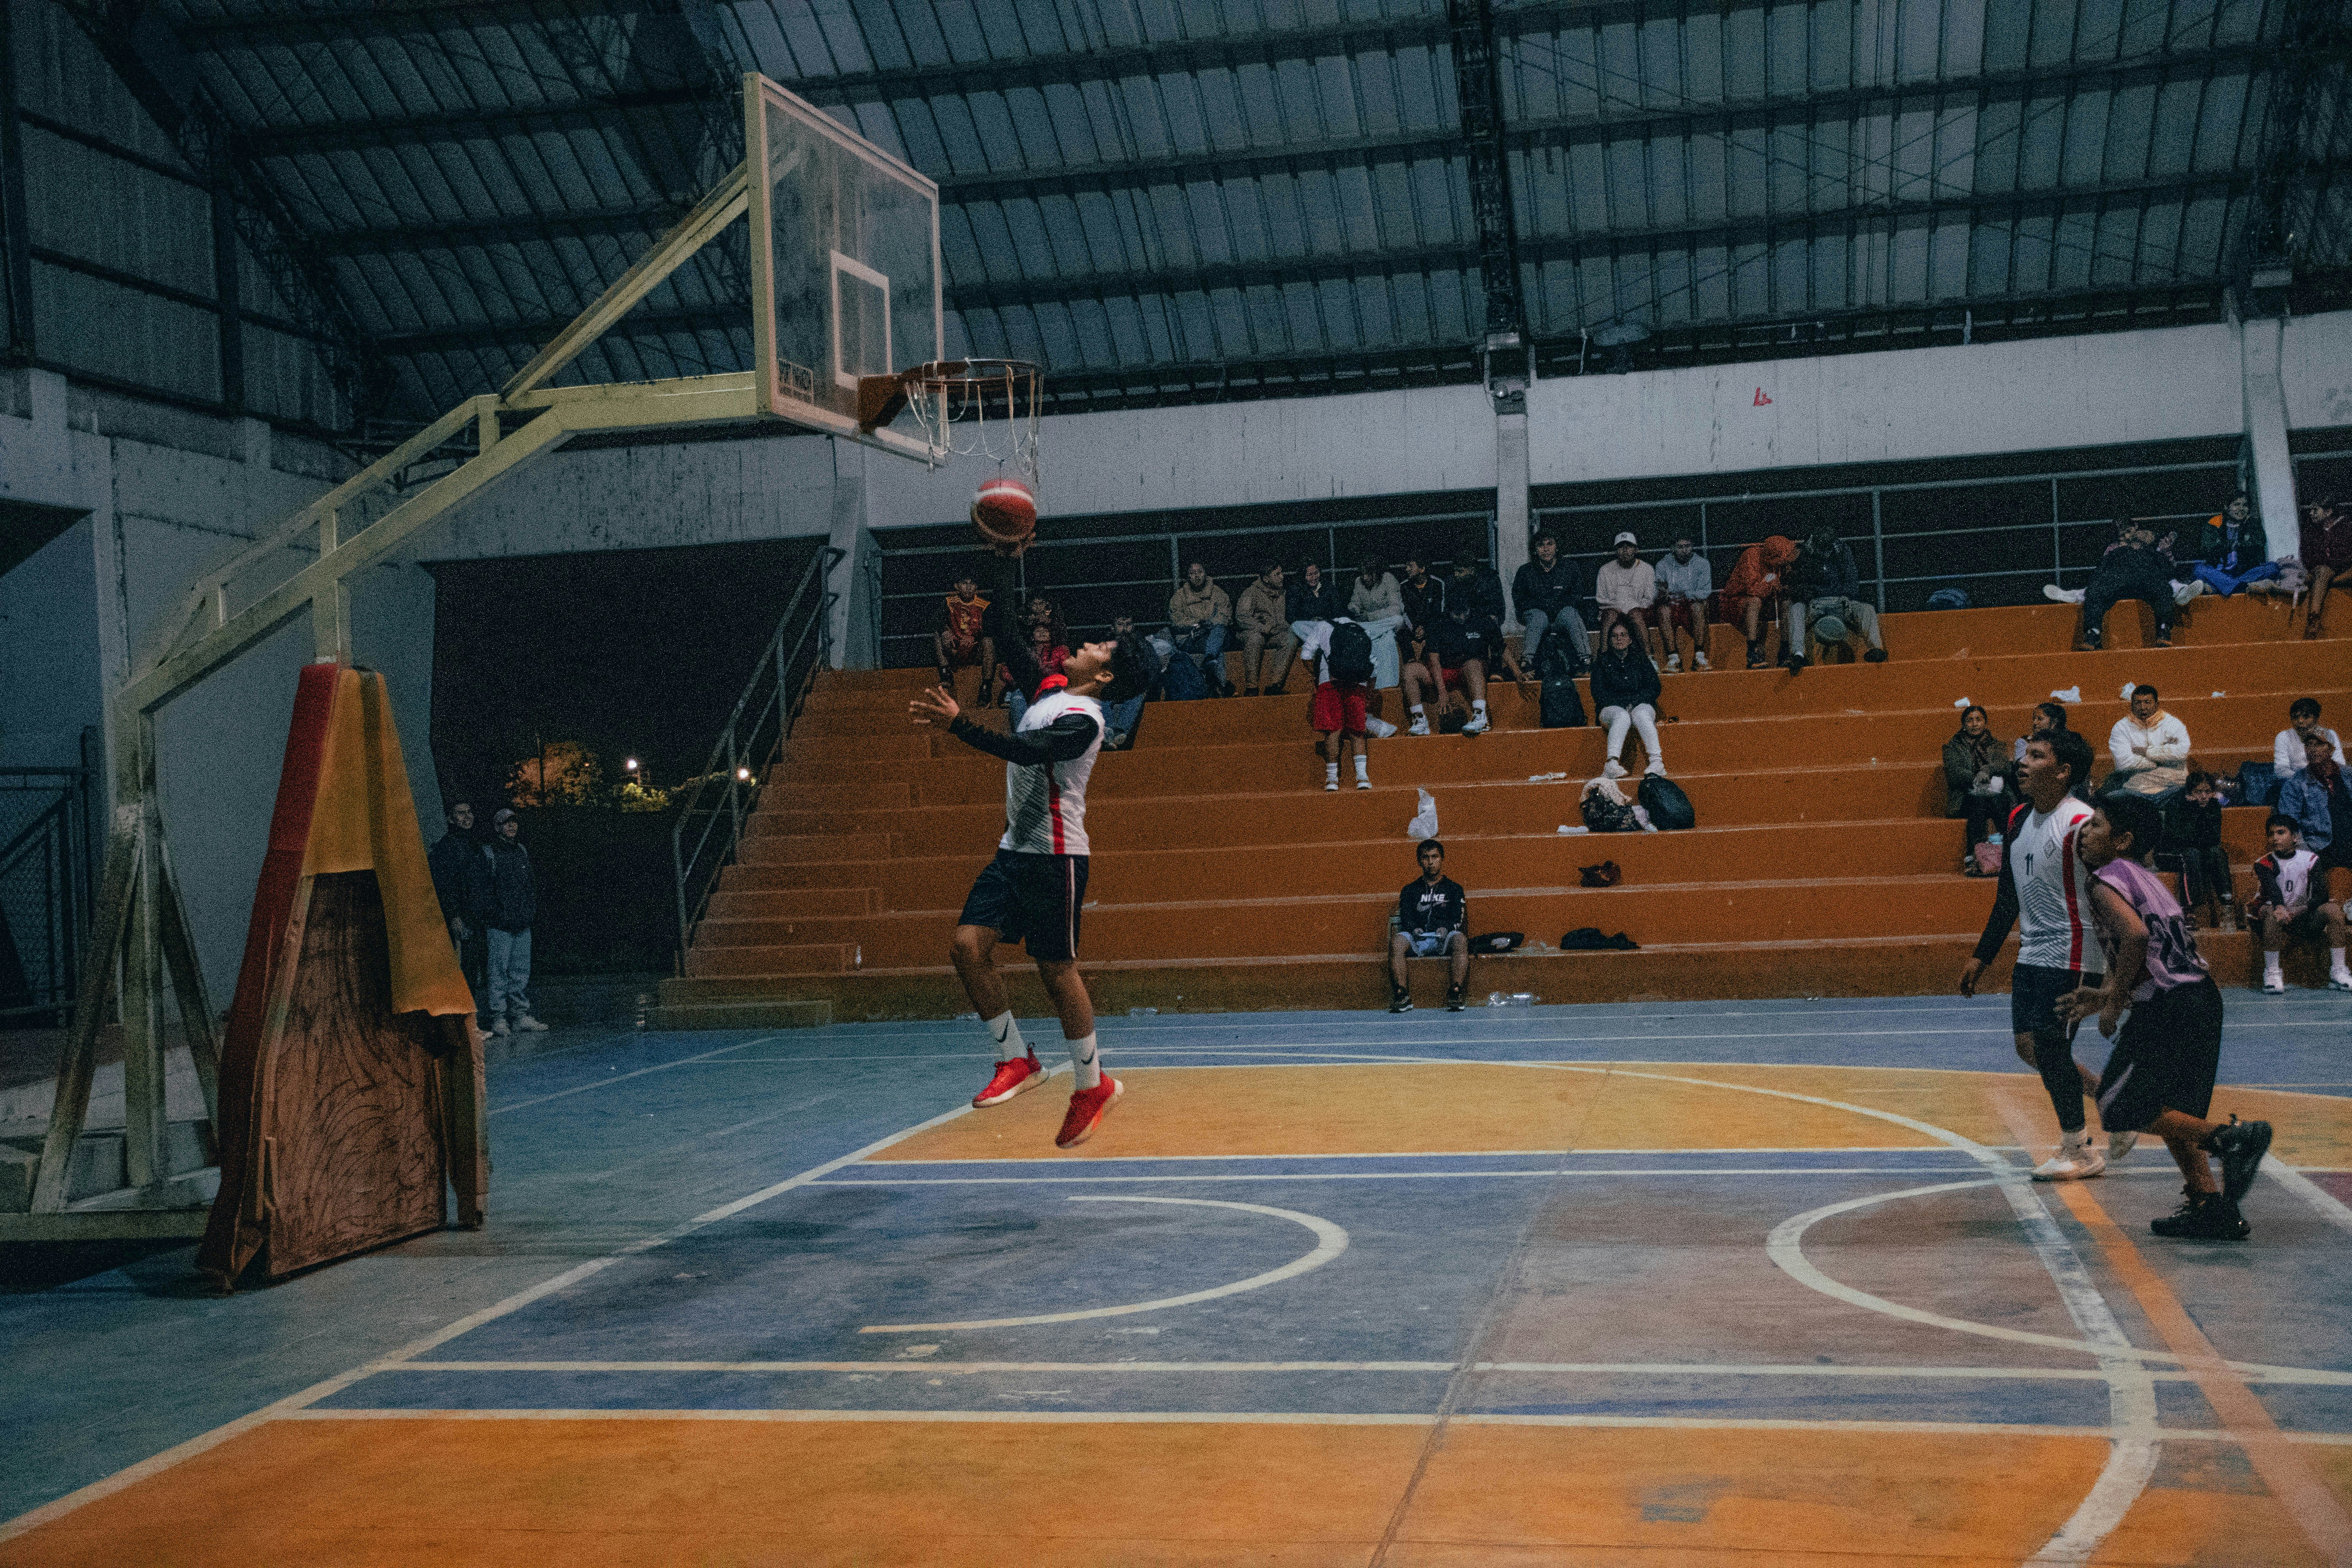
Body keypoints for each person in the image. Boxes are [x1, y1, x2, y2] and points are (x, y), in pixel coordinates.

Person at [909, 545, 1156, 1149]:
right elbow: (1002, 627)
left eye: (1098, 649)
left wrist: (959, 725)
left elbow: (1027, 753)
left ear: (1103, 677)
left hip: (1057, 857)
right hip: (1013, 851)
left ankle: (1092, 1084)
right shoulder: (1048, 689)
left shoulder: (1087, 721)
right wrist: (1002, 556)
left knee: (1056, 970)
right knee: (967, 947)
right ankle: (1017, 1060)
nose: (1084, 644)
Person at [2057, 793, 2273, 1241]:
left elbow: (2135, 937)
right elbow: (2155, 948)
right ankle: (2210, 1206)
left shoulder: (2103, 880)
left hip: (2170, 1006)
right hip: (2202, 998)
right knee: (2176, 1112)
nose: (2084, 832)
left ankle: (2230, 1138)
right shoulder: (2147, 877)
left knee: (2119, 1106)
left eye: (2096, 824)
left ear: (2124, 839)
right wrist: (2105, 994)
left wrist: (2114, 1005)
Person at [1959, 729, 2118, 1180]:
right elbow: (2008, 897)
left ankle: (2078, 1147)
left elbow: (2113, 894)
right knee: (2030, 1047)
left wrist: (2113, 979)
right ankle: (2113, 1099)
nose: (2022, 762)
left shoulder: (2082, 823)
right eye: (2024, 753)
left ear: (2064, 771)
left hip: (2074, 952)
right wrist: (1982, 955)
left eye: (2036, 755)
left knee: (2050, 1048)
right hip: (2033, 952)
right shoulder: (2015, 820)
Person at [2247, 813, 2350, 994]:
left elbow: (2321, 895)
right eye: (2271, 834)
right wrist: (2281, 908)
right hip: (2273, 915)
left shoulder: (2310, 860)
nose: (2275, 838)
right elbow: (2273, 891)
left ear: (2294, 837)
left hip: (2302, 915)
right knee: (2271, 911)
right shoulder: (2264, 863)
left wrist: (2298, 911)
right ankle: (2272, 973)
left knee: (2333, 910)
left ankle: (2339, 971)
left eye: (2281, 833)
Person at [1782, 523, 1886, 669]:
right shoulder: (1804, 553)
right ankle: (1798, 655)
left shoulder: (1843, 552)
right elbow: (1797, 584)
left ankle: (1876, 649)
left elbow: (1852, 581)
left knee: (1867, 609)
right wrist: (1811, 593)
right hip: (1813, 604)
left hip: (1841, 602)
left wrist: (1842, 595)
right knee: (1796, 609)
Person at [1403, 599, 1512, 736]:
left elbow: (1502, 647)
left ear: (1469, 608)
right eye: (1456, 614)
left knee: (1471, 664)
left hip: (1473, 671)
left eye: (1464, 613)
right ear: (1448, 611)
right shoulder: (1439, 623)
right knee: (1409, 670)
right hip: (1445, 671)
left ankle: (1480, 716)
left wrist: (1519, 673)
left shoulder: (1482, 619)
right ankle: (1420, 720)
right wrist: (1442, 692)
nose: (1461, 618)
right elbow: (1434, 660)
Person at [481, 807, 546, 1037]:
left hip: (521, 922)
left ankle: (520, 1016)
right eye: (506, 823)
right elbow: (485, 889)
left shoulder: (521, 851)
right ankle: (498, 1017)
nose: (511, 826)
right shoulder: (489, 853)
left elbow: (530, 885)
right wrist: (495, 914)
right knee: (498, 972)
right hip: (500, 924)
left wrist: (529, 912)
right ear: (497, 827)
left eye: (514, 823)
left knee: (520, 971)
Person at [1389, 837, 1469, 1013]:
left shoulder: (1455, 889)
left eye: (1435, 857)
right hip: (1418, 938)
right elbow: (1407, 917)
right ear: (1419, 861)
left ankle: (1456, 992)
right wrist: (1414, 929)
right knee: (1397, 942)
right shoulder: (1409, 890)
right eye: (1426, 858)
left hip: (1444, 938)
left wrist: (1447, 929)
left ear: (1442, 859)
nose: (1431, 862)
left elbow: (1460, 918)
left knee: (1461, 940)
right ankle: (1402, 995)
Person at [427, 800, 490, 1014]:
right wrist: (454, 917)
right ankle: (462, 1023)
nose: (467, 817)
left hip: (477, 919)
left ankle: (471, 1020)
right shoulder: (446, 848)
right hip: (460, 919)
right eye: (461, 814)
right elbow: (444, 886)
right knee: (461, 972)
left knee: (473, 971)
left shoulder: (474, 846)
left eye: (470, 811)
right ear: (451, 819)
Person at [2079, 517, 2179, 650]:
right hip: (2119, 582)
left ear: (2137, 528)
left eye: (2130, 528)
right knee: (2095, 590)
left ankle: (2164, 629)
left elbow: (2167, 570)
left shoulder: (2151, 551)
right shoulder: (2114, 549)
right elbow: (2101, 570)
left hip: (2144, 581)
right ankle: (2093, 632)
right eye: (2123, 529)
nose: (2127, 532)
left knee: (2164, 589)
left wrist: (2166, 553)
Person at [2156, 771, 2234, 930]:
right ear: (2190, 792)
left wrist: (2200, 813)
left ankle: (2227, 904)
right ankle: (2189, 909)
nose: (2204, 796)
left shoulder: (2213, 806)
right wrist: (2194, 810)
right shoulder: (2177, 805)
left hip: (2198, 851)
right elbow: (2180, 838)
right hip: (2170, 853)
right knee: (2190, 855)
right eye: (2199, 792)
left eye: (2207, 792)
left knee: (2218, 853)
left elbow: (2214, 839)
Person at [1590, 618, 1664, 779]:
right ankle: (1611, 764)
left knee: (1641, 714)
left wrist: (1634, 702)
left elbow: (1654, 687)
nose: (1619, 639)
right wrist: (1624, 705)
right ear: (1609, 641)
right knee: (1622, 716)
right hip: (1611, 708)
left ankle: (1657, 762)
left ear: (1630, 639)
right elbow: (1599, 693)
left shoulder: (1641, 659)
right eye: (1615, 636)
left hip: (1640, 704)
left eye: (1623, 635)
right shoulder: (1601, 663)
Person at [1944, 705, 2013, 873]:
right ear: (1963, 724)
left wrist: (1986, 772)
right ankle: (1975, 856)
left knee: (1999, 801)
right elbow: (1955, 773)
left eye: (1979, 719)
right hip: (1965, 797)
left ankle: (2009, 853)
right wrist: (1976, 777)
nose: (1975, 724)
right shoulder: (1952, 747)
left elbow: (2005, 766)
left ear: (1985, 722)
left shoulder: (1997, 745)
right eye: (1970, 720)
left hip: (1994, 795)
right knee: (1979, 802)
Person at [1309, 618, 1375, 792]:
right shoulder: (1358, 629)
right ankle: (1362, 777)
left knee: (1333, 731)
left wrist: (1316, 676)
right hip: (1357, 685)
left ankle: (1332, 779)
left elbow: (1306, 655)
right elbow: (1373, 664)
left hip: (1329, 684)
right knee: (1357, 732)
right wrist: (1368, 692)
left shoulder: (1322, 626)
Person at [1511, 530, 1590, 672]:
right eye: (1541, 545)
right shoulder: (1525, 571)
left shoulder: (1570, 568)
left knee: (1571, 613)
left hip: (1561, 616)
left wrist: (1554, 606)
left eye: (1550, 544)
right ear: (1535, 550)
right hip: (1537, 617)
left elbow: (1578, 596)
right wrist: (1545, 607)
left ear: (1557, 547)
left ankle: (1586, 660)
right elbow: (1520, 600)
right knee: (1538, 617)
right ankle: (1527, 662)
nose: (1546, 549)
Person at [1720, 535, 1795, 669]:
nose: (1784, 563)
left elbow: (1782, 588)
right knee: (1755, 601)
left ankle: (1785, 651)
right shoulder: (1752, 556)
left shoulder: (1781, 564)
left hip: (1766, 599)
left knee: (1787, 603)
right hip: (1738, 600)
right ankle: (1752, 651)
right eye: (1782, 560)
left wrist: (1785, 587)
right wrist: (1771, 582)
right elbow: (1752, 590)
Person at [2191, 493, 2281, 599]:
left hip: (2246, 573)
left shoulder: (2253, 525)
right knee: (2199, 569)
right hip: (2221, 573)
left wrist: (2241, 542)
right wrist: (2227, 546)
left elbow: (2259, 545)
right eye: (2236, 505)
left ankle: (2220, 588)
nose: (2241, 509)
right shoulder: (2214, 524)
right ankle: (2243, 587)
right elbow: (2207, 548)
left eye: (2245, 505)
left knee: (2273, 568)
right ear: (2227, 507)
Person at [2106, 684, 2190, 798]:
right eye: (2138, 703)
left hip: (2173, 786)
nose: (2142, 707)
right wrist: (2158, 763)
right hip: (2134, 788)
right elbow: (2123, 763)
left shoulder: (2173, 724)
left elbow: (2182, 752)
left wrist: (2148, 752)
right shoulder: (2121, 727)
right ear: (2131, 706)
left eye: (2147, 702)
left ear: (2157, 705)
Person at [1233, 561, 1298, 696]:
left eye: (1281, 573)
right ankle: (1252, 687)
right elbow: (1242, 617)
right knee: (1255, 639)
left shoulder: (1283, 594)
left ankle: (1274, 685)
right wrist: (1264, 627)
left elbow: (1287, 618)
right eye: (1277, 574)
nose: (1282, 577)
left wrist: (1282, 626)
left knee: (1291, 638)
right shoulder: (1251, 593)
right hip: (1253, 633)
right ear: (1266, 578)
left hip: (1274, 633)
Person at [1167, 561, 1232, 696]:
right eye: (1193, 573)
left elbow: (1225, 615)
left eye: (1200, 572)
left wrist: (1209, 624)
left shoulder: (1218, 593)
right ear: (1188, 577)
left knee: (1219, 630)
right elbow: (1178, 621)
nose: (1197, 576)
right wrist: (1198, 624)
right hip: (1191, 637)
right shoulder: (1179, 598)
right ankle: (1222, 684)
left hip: (1214, 633)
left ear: (1206, 573)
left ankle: (1211, 665)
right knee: (1216, 649)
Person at [2275, 730, 2339, 866]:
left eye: (2319, 744)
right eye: (2310, 745)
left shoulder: (2347, 778)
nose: (2313, 749)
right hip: (2318, 847)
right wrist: (2306, 857)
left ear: (2331, 749)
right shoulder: (2294, 784)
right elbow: (2290, 825)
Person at [1654, 533, 1712, 672]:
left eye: (1688, 546)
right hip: (1673, 605)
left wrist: (1686, 595)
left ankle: (1699, 656)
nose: (1685, 550)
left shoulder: (1702, 564)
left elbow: (1705, 592)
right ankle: (1674, 658)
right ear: (1673, 548)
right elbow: (1658, 590)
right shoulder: (1663, 565)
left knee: (1698, 607)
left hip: (1692, 604)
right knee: (1663, 610)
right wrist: (1664, 594)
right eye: (1680, 547)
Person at [2010, 701, 2091, 802]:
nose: (2035, 723)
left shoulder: (2070, 741)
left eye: (2040, 719)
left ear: (2054, 722)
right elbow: (2021, 763)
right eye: (2034, 719)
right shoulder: (2026, 741)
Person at [1348, 556, 1407, 689]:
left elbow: (1396, 609)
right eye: (1363, 574)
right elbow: (1354, 602)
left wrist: (1370, 616)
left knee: (1399, 621)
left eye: (1369, 574)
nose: (1366, 577)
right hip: (1370, 625)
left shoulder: (1388, 579)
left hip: (1384, 622)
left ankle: (1387, 682)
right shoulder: (1359, 582)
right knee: (1352, 627)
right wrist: (1355, 609)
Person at [1099, 612, 1156, 751]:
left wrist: (1143, 683)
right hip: (1111, 686)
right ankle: (1109, 731)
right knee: (1098, 691)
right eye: (1120, 625)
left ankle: (1122, 732)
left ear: (1133, 626)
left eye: (1128, 625)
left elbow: (1152, 667)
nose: (1124, 629)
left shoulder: (1142, 644)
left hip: (1133, 685)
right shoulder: (1104, 645)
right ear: (1113, 627)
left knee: (1137, 695)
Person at [1592, 531, 1656, 652]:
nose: (1625, 550)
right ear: (1616, 550)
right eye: (1621, 547)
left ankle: (1649, 657)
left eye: (1629, 546)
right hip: (1614, 610)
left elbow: (1650, 598)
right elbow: (1601, 599)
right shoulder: (1605, 570)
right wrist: (1618, 608)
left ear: (1636, 549)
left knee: (1635, 614)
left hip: (1639, 610)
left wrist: (1631, 608)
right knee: (1610, 615)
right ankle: (1603, 656)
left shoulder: (1647, 569)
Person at [934, 572, 993, 699]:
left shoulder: (984, 605)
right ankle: (945, 673)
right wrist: (946, 630)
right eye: (964, 584)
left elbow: (991, 629)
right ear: (957, 586)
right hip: (955, 649)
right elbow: (936, 622)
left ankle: (986, 687)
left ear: (976, 587)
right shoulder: (949, 602)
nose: (968, 587)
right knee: (938, 635)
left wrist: (975, 637)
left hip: (975, 651)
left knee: (989, 642)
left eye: (972, 584)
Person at [1004, 621, 1070, 730]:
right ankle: (1021, 739)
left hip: (1053, 688)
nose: (1042, 633)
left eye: (1046, 630)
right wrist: (1018, 681)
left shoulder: (1060, 650)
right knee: (1017, 697)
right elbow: (1007, 669)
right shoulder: (1026, 652)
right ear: (1032, 637)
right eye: (1038, 630)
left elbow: (1069, 670)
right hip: (1029, 688)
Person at [2302, 496, 2349, 640]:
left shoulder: (2346, 527)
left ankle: (2327, 582)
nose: (2311, 513)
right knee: (2322, 571)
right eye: (2310, 510)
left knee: (2323, 574)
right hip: (2322, 571)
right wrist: (2326, 564)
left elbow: (2347, 556)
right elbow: (2308, 558)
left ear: (2329, 512)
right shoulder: (2311, 531)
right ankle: (2314, 619)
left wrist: (2332, 564)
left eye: (2315, 510)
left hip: (2343, 571)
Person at [2275, 696, 2347, 774]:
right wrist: (2304, 779)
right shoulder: (2283, 737)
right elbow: (2281, 770)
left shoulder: (2329, 734)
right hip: (2296, 783)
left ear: (2316, 718)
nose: (2300, 721)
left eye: (2306, 717)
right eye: (2295, 717)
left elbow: (2340, 763)